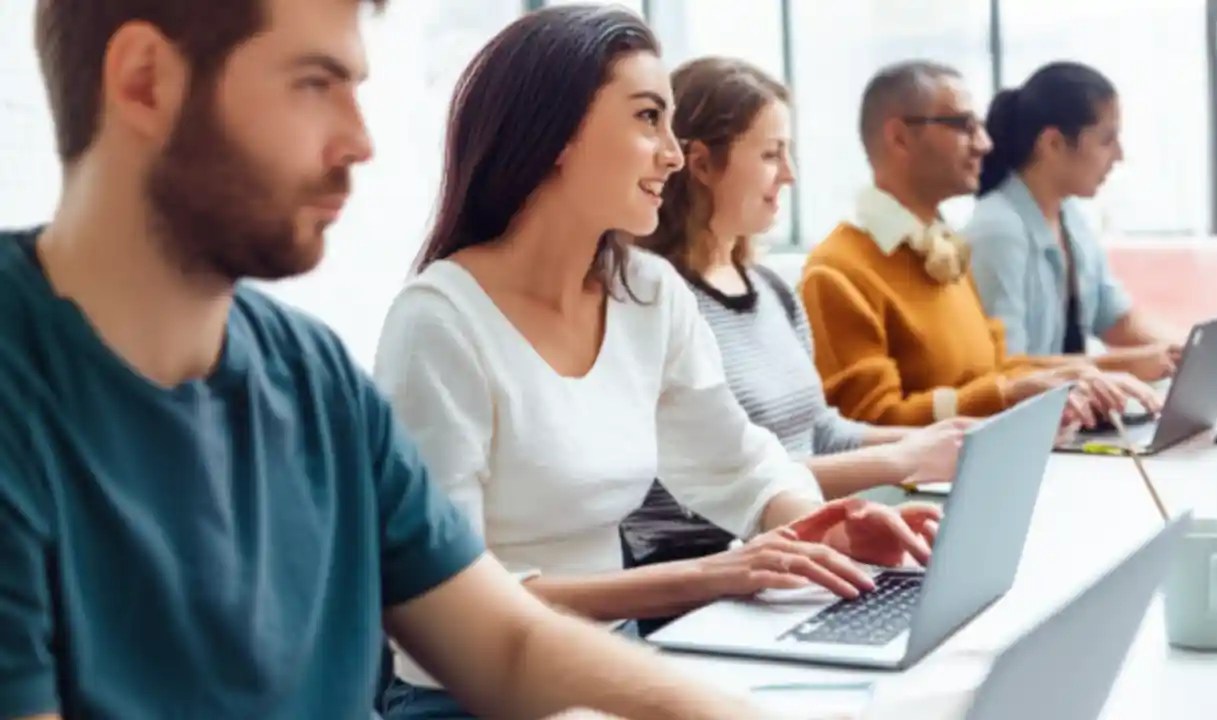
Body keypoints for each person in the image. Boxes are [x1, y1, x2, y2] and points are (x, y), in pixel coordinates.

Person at [0, 1, 801, 718]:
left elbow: (504, 643)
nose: (360, 142)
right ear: (146, 83)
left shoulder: (311, 374)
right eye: (315, 84)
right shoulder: (20, 392)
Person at [373, 7, 943, 716]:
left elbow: (736, 464)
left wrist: (813, 524)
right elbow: (452, 600)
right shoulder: (440, 322)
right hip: (471, 697)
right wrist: (706, 575)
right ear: (555, 135)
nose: (674, 155)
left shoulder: (648, 292)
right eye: (649, 119)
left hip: (614, 667)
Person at [640, 56, 968, 500]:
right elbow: (713, 481)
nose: (790, 174)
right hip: (738, 550)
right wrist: (902, 458)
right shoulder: (658, 304)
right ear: (701, 165)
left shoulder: (772, 290)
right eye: (772, 154)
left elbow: (823, 432)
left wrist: (952, 438)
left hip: (811, 535)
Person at [800, 61, 1157, 428]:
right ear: (899, 138)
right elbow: (869, 421)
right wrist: (1009, 394)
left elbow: (998, 367)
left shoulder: (941, 249)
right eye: (963, 126)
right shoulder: (838, 271)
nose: (984, 145)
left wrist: (1078, 375)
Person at [966, 62, 1181, 381]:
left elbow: (1117, 320)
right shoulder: (997, 230)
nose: (1119, 155)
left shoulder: (1071, 218)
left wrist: (1193, 348)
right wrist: (1120, 365)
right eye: (1107, 140)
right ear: (1052, 143)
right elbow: (1006, 370)